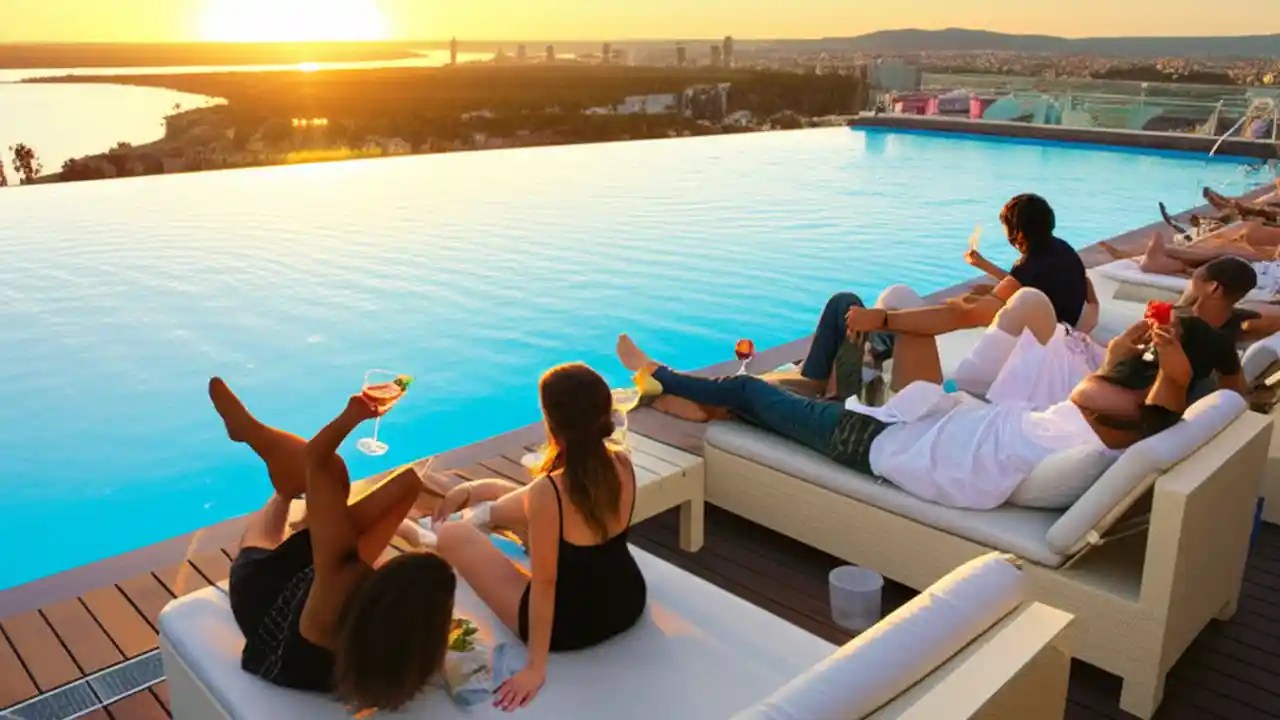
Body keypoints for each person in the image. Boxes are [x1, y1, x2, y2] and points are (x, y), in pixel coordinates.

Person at [616, 316, 1194, 511]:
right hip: (916, 427)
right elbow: (1136, 399)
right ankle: (704, 412)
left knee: (748, 393)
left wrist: (1176, 375)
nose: (1095, 385)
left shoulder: (1110, 436)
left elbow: (1162, 409)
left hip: (874, 444)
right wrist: (1134, 354)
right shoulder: (1096, 430)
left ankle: (656, 373)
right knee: (779, 410)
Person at [208, 379, 456, 712]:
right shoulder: (412, 653)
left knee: (325, 480)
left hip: (266, 612)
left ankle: (278, 483)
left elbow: (316, 457)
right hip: (322, 623)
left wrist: (352, 416)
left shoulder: (341, 578)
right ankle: (296, 489)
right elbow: (409, 482)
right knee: (338, 499)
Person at [433, 363, 647, 711]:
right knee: (526, 505)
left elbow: (545, 584)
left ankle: (472, 503)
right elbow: (536, 502)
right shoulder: (622, 463)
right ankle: (475, 496)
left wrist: (535, 668)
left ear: (552, 423)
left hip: (573, 623)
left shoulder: (549, 492)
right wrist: (475, 491)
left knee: (453, 534)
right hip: (627, 598)